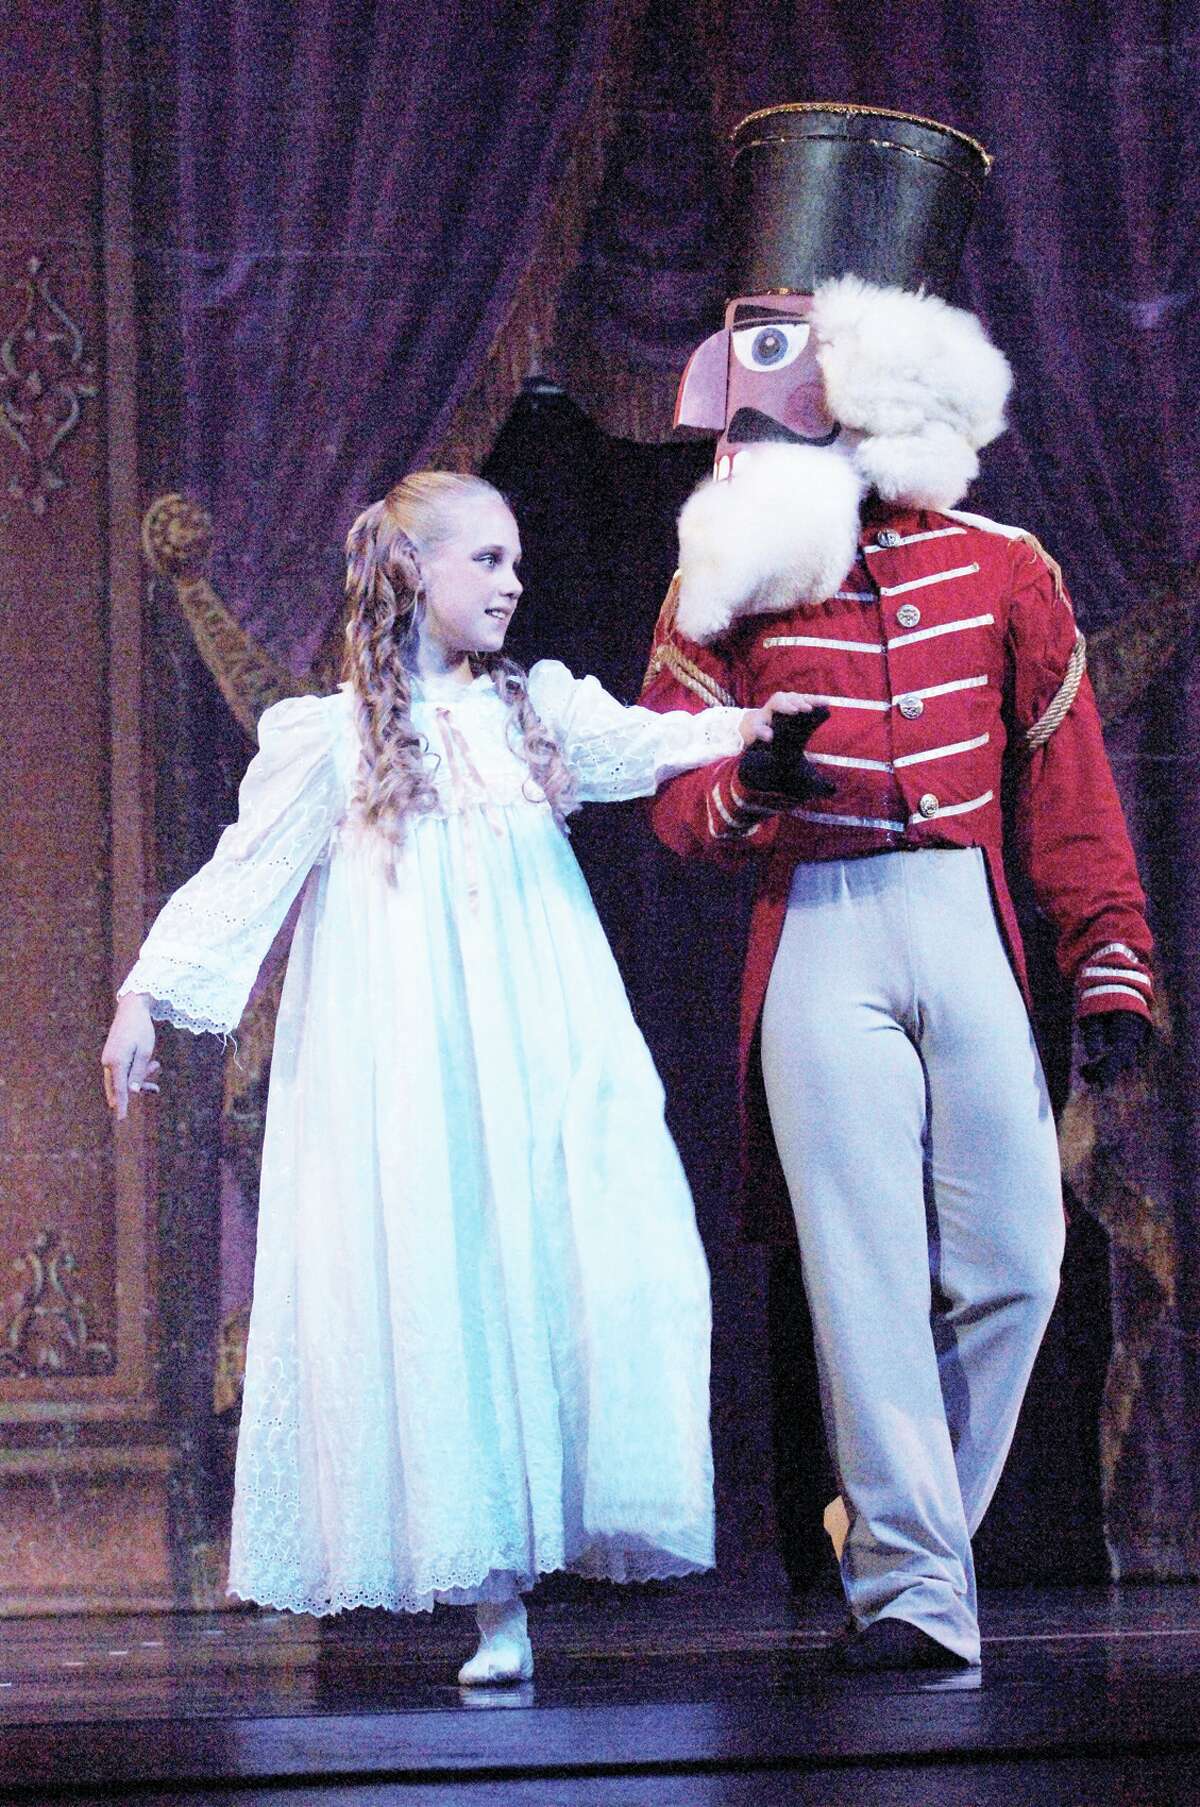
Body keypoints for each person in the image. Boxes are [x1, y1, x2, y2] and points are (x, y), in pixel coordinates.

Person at [101, 470, 812, 1684]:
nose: (512, 581)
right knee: (446, 1278)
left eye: (515, 560)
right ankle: (494, 1600)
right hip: (412, 1055)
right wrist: (145, 994)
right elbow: (242, 871)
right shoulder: (333, 737)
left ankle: (542, 1547)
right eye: (486, 559)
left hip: (542, 1036)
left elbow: (639, 741)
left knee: (578, 1251)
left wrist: (739, 729)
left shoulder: (531, 710)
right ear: (411, 570)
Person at [640, 106, 1154, 1673]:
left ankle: (898, 1526)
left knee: (1018, 1263)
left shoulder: (1004, 567)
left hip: (957, 915)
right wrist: (755, 783)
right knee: (863, 1273)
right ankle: (921, 1590)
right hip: (821, 926)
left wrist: (1112, 955)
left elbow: (1068, 788)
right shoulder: (726, 581)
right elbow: (674, 794)